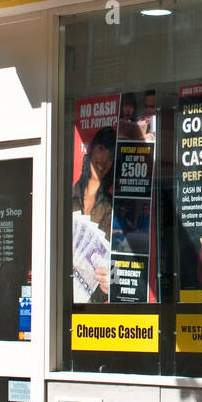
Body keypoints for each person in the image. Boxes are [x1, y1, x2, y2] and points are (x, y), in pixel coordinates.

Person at [71, 126, 115, 301]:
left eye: (110, 156)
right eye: (101, 149)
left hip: (92, 304)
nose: (104, 159)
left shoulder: (112, 208)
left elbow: (116, 262)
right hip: (59, 295)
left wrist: (112, 282)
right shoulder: (65, 197)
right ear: (91, 150)